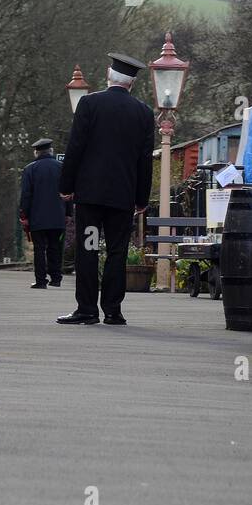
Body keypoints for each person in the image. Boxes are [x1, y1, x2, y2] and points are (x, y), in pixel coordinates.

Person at [55, 53, 155, 326]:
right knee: (117, 251)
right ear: (132, 83)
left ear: (110, 76)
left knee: (88, 249)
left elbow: (75, 147)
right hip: (122, 199)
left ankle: (86, 309)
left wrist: (66, 186)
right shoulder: (144, 113)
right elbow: (145, 160)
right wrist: (141, 199)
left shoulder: (89, 104)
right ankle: (113, 310)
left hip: (89, 196)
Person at [19, 137, 69, 289]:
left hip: (38, 218)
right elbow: (68, 191)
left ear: (37, 152)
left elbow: (26, 195)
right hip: (58, 216)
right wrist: (68, 213)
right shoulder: (62, 167)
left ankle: (41, 281)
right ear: (51, 151)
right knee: (56, 248)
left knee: (39, 249)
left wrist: (24, 216)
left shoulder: (30, 169)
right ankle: (56, 278)